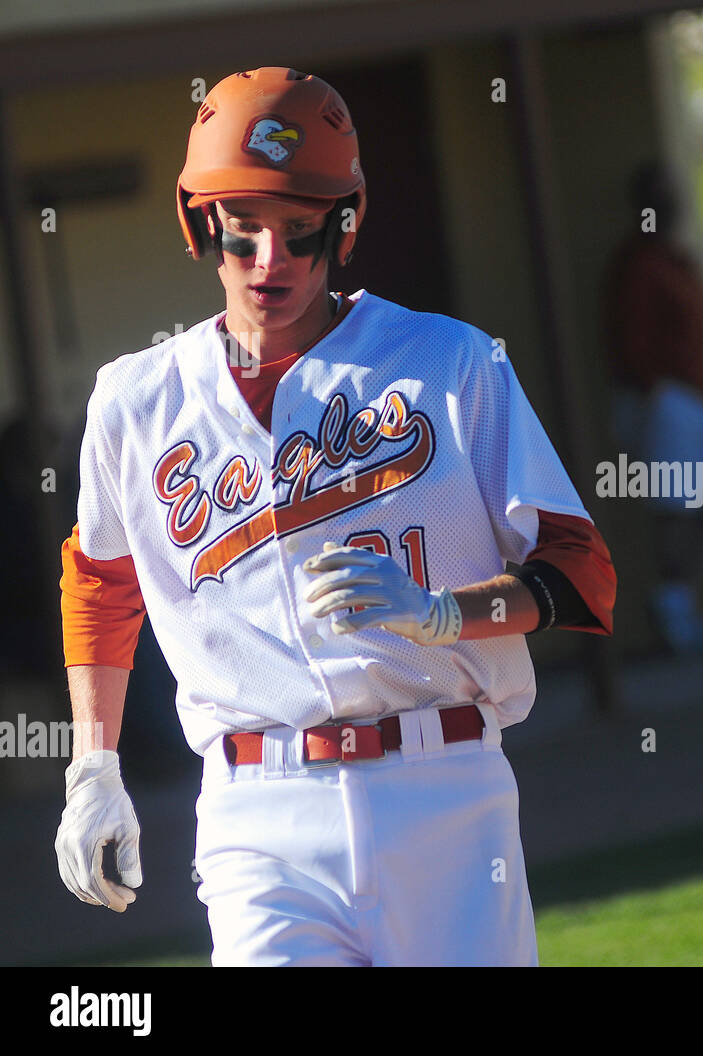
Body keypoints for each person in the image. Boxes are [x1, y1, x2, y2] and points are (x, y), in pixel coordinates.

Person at [53, 67, 615, 966]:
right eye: (244, 234)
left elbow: (581, 570)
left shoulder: (448, 363)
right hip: (256, 814)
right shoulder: (135, 401)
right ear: (202, 225)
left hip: (447, 792)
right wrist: (93, 766)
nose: (270, 261)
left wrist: (445, 616)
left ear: (344, 224)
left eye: (300, 231)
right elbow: (102, 585)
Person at [603, 161, 703, 653]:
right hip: (667, 401)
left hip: (700, 399)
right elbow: (630, 341)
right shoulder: (638, 264)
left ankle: (674, 601)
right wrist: (651, 395)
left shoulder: (676, 260)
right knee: (677, 511)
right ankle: (674, 614)